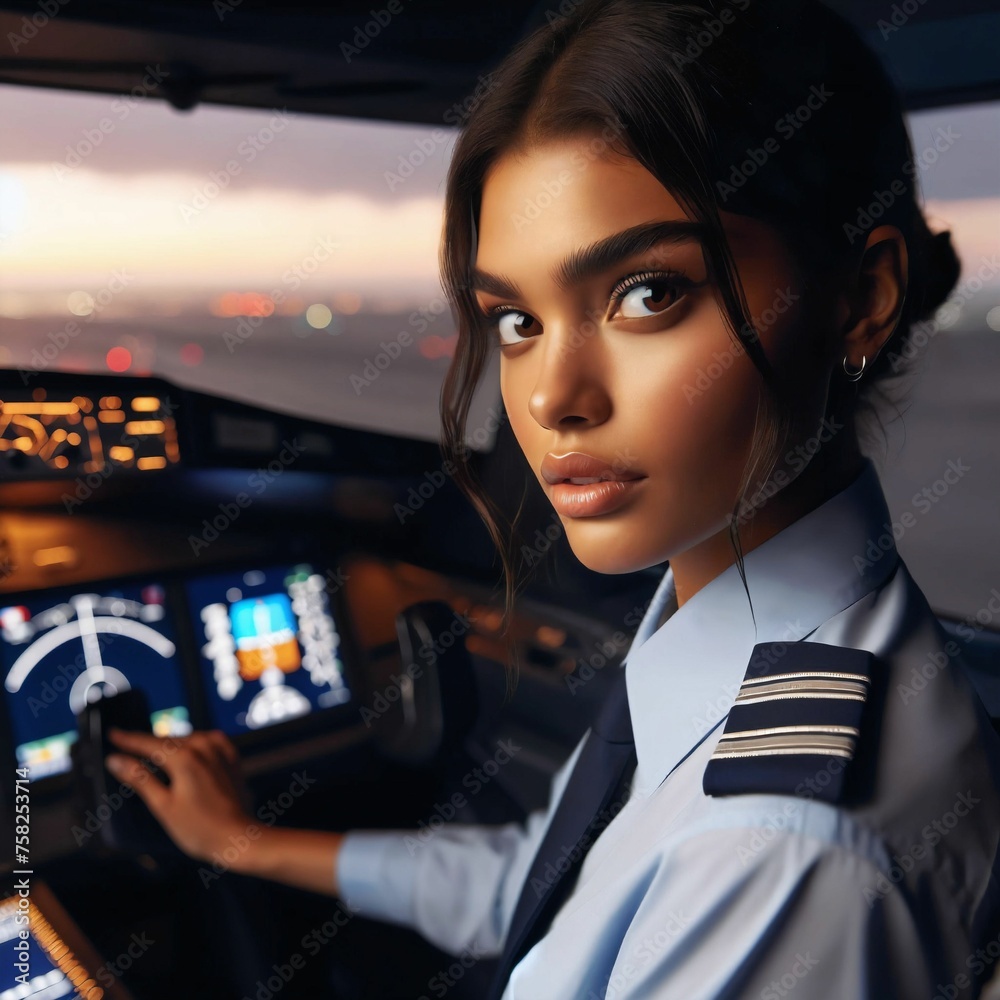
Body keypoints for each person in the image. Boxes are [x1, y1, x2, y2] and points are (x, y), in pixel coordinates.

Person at [105, 0, 1000, 996]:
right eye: (517, 320)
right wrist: (242, 843)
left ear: (861, 299)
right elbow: (546, 884)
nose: (549, 398)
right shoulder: (722, 641)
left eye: (648, 294)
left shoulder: (779, 847)